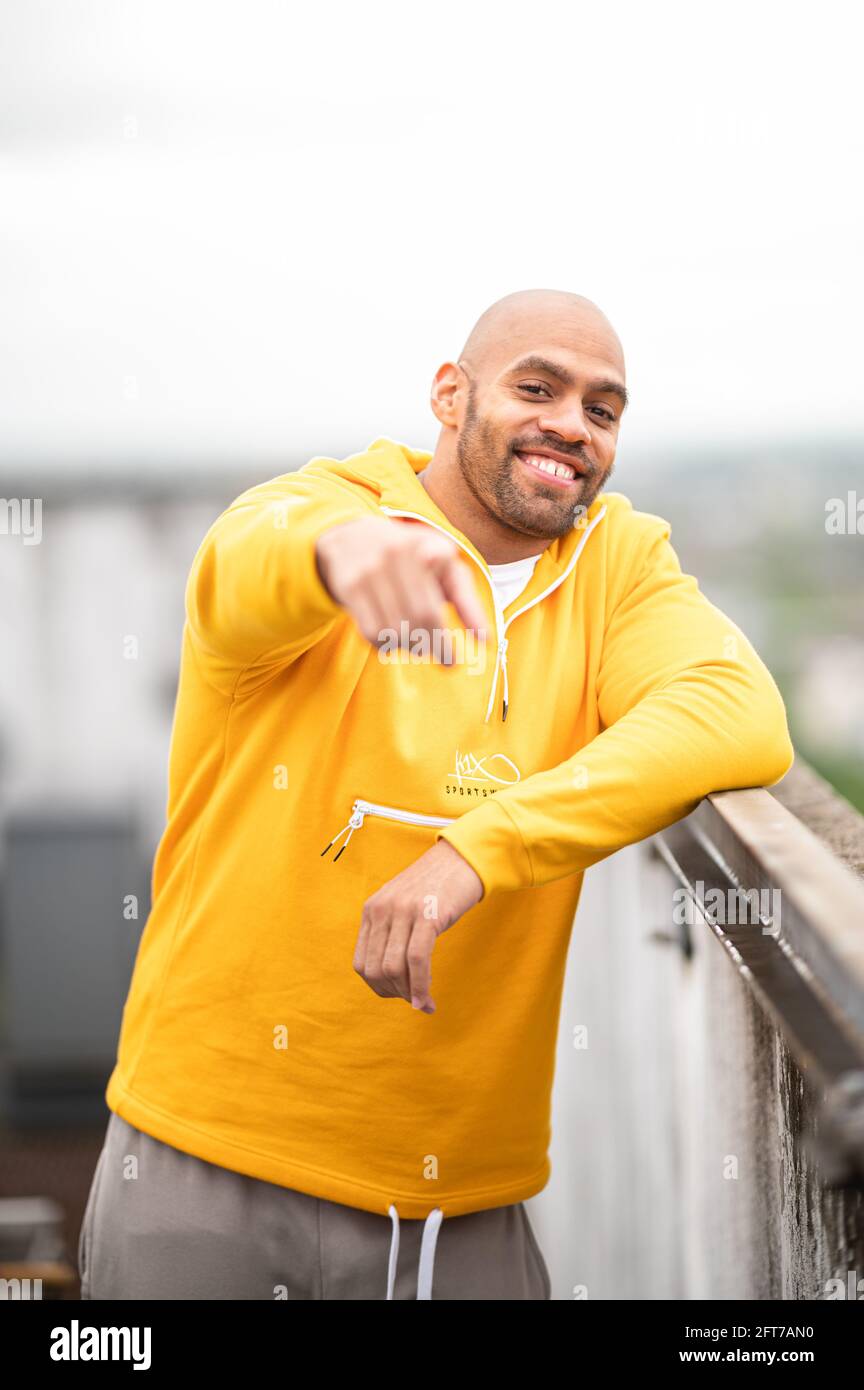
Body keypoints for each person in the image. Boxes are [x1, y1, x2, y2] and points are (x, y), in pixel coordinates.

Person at [78, 288, 794, 1301]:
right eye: (536, 387)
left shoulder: (617, 567)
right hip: (201, 1167)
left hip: (458, 1205)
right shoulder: (322, 514)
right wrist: (344, 555)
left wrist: (481, 847)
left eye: (603, 408)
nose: (571, 425)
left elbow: (737, 712)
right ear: (450, 395)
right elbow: (245, 568)